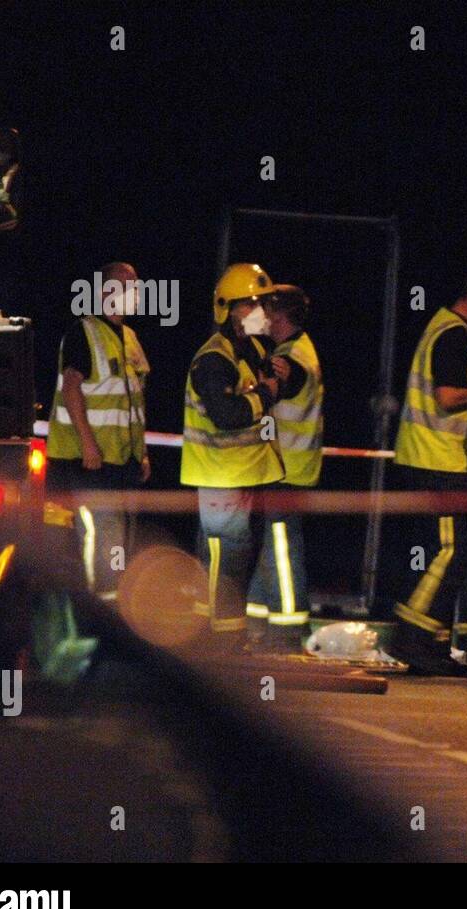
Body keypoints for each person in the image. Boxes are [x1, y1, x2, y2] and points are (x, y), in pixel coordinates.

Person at [384, 260, 467, 673]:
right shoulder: (455, 333)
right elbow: (448, 396)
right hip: (437, 460)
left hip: (438, 458)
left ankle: (433, 642)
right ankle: (410, 633)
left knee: (460, 551)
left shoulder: (450, 329)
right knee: (451, 550)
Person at [181, 263, 285, 644]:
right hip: (219, 478)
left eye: (263, 303)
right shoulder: (214, 359)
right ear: (228, 309)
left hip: (243, 475)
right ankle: (220, 642)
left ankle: (220, 639)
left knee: (235, 560)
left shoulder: (251, 349)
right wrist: (266, 393)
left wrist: (281, 379)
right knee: (226, 563)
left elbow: (274, 386)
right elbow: (227, 415)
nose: (261, 311)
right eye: (251, 304)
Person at [45, 261, 151, 602]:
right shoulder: (84, 332)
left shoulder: (130, 337)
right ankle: (100, 610)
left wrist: (143, 452)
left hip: (122, 459)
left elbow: (134, 399)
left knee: (119, 539)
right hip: (89, 461)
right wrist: (89, 445)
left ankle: (115, 606)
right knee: (103, 534)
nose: (136, 293)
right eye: (128, 286)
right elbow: (72, 387)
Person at [246, 284, 324, 651]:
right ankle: (257, 621)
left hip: (287, 469)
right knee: (269, 545)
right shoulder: (293, 349)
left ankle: (290, 628)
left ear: (277, 317)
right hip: (286, 466)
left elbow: (286, 380)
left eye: (262, 310)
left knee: (280, 545)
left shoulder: (291, 357)